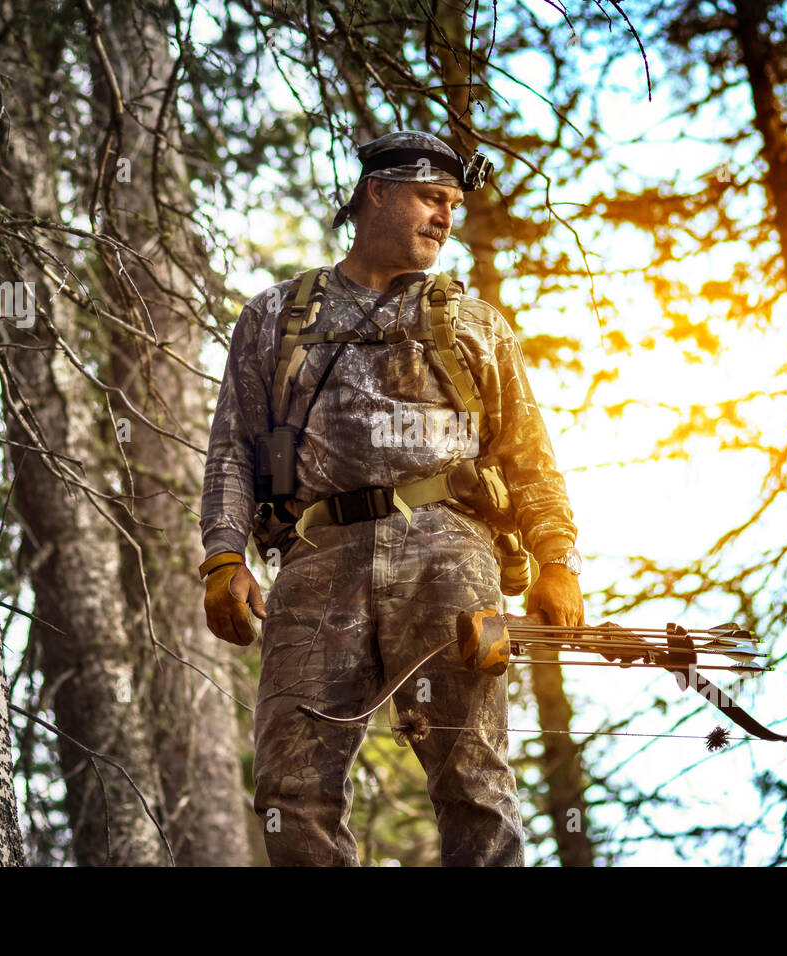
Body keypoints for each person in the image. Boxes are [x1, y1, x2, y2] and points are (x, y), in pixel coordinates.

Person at [198, 130, 583, 866]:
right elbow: (232, 451)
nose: (445, 217)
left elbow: (530, 456)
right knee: (291, 791)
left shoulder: (474, 322)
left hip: (450, 561)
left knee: (475, 783)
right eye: (431, 199)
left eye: (454, 205)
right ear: (376, 193)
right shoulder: (274, 315)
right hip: (313, 565)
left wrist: (556, 558)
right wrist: (223, 557)